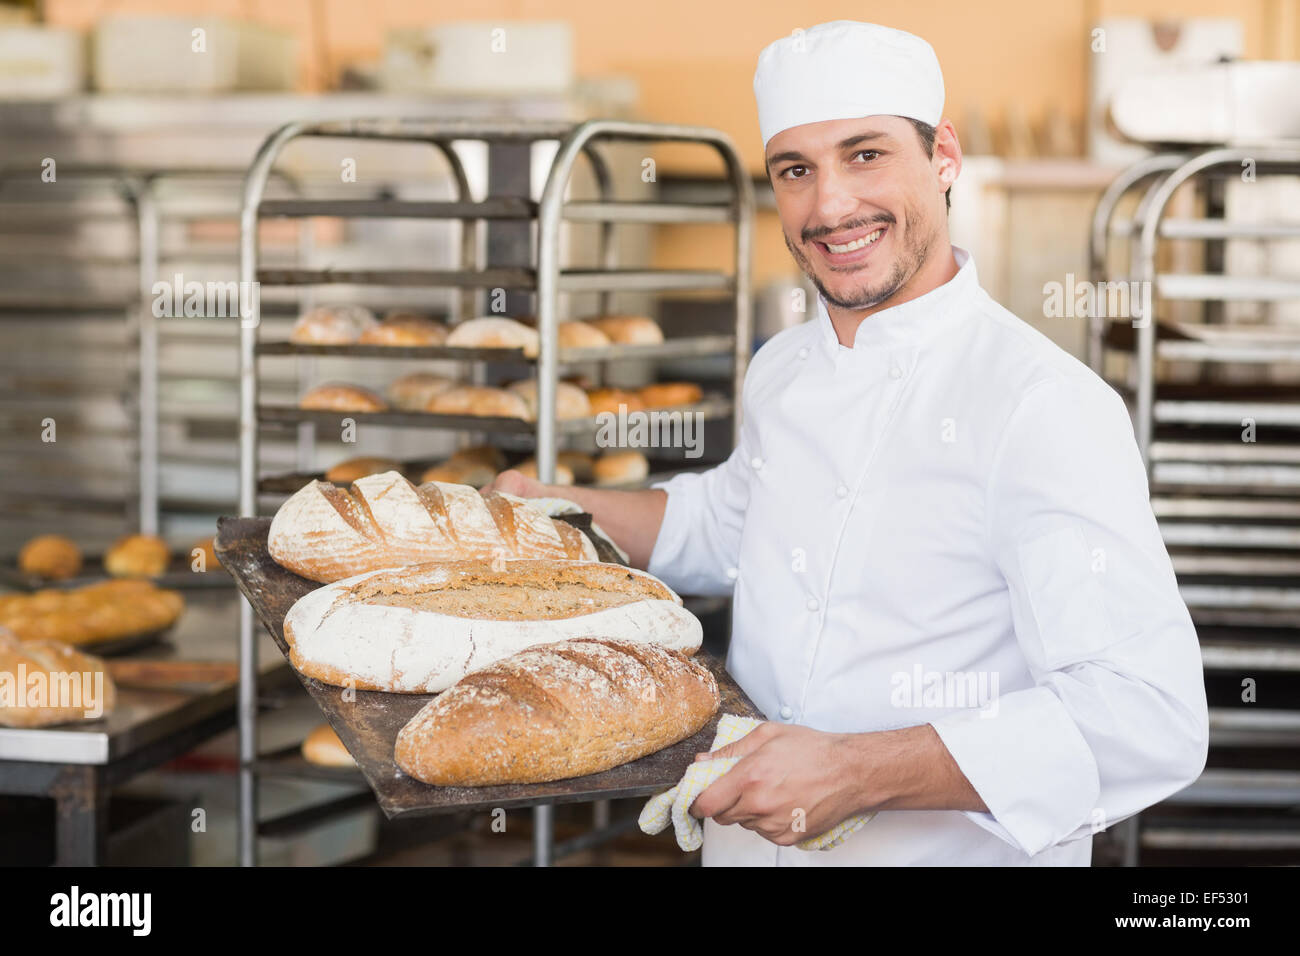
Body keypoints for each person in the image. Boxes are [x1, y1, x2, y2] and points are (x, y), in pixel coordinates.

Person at [485, 19, 1208, 866]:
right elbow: (727, 526)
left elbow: (1146, 713)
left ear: (943, 156)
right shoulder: (785, 368)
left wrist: (859, 771)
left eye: (865, 155)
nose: (829, 207)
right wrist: (551, 512)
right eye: (797, 170)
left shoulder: (1041, 404)